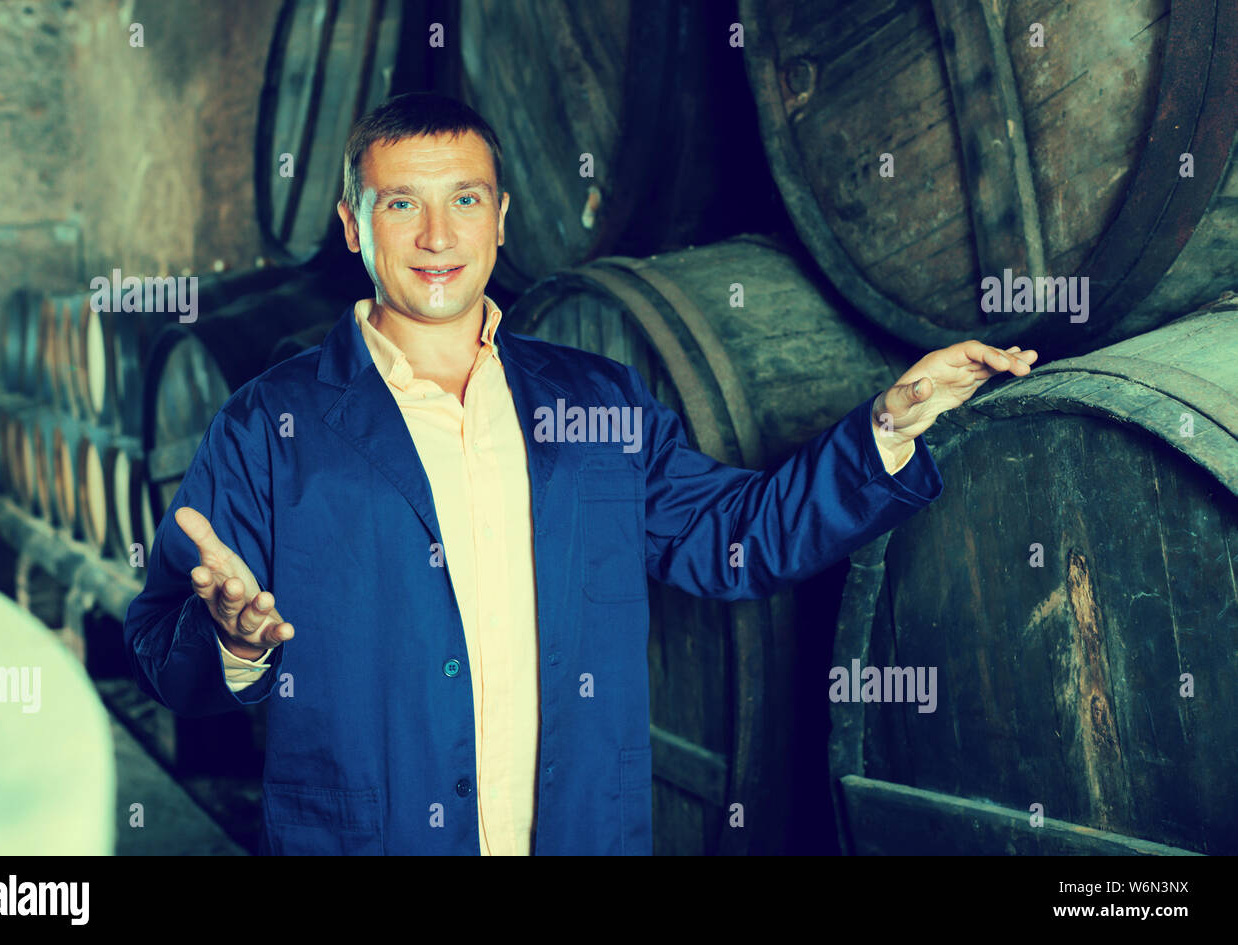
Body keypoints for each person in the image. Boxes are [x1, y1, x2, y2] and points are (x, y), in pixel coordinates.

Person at [123, 91, 1038, 855]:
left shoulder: (596, 403)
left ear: (502, 217)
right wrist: (237, 644)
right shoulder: (268, 421)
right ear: (353, 224)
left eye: (466, 199)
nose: (437, 233)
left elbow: (734, 539)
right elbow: (161, 651)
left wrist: (887, 425)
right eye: (401, 202)